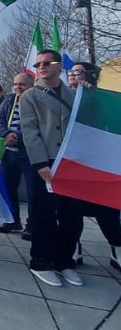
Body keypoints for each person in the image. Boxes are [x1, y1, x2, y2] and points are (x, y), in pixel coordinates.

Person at [20, 49, 84, 287]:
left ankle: (64, 261)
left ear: (59, 65)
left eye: (47, 62)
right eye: (38, 64)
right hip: (46, 163)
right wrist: (40, 163)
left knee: (72, 218)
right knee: (44, 216)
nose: (42, 67)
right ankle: (41, 261)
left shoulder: (75, 94)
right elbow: (30, 131)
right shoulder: (30, 96)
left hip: (71, 164)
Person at [68, 61, 120, 271]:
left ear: (90, 75)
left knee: (105, 209)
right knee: (70, 209)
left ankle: (117, 248)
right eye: (70, 71)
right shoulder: (63, 96)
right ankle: (73, 247)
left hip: (97, 161)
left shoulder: (102, 99)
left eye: (78, 71)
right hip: (72, 161)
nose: (72, 74)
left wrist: (92, 99)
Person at [0, 73, 35, 236]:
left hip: (29, 152)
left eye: (22, 84)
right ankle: (12, 221)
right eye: (16, 84)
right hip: (9, 152)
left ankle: (32, 225)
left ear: (31, 85)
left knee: (33, 191)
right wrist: (5, 134)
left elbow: (37, 123)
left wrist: (17, 136)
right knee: (9, 188)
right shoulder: (10, 99)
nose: (18, 87)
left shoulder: (36, 99)